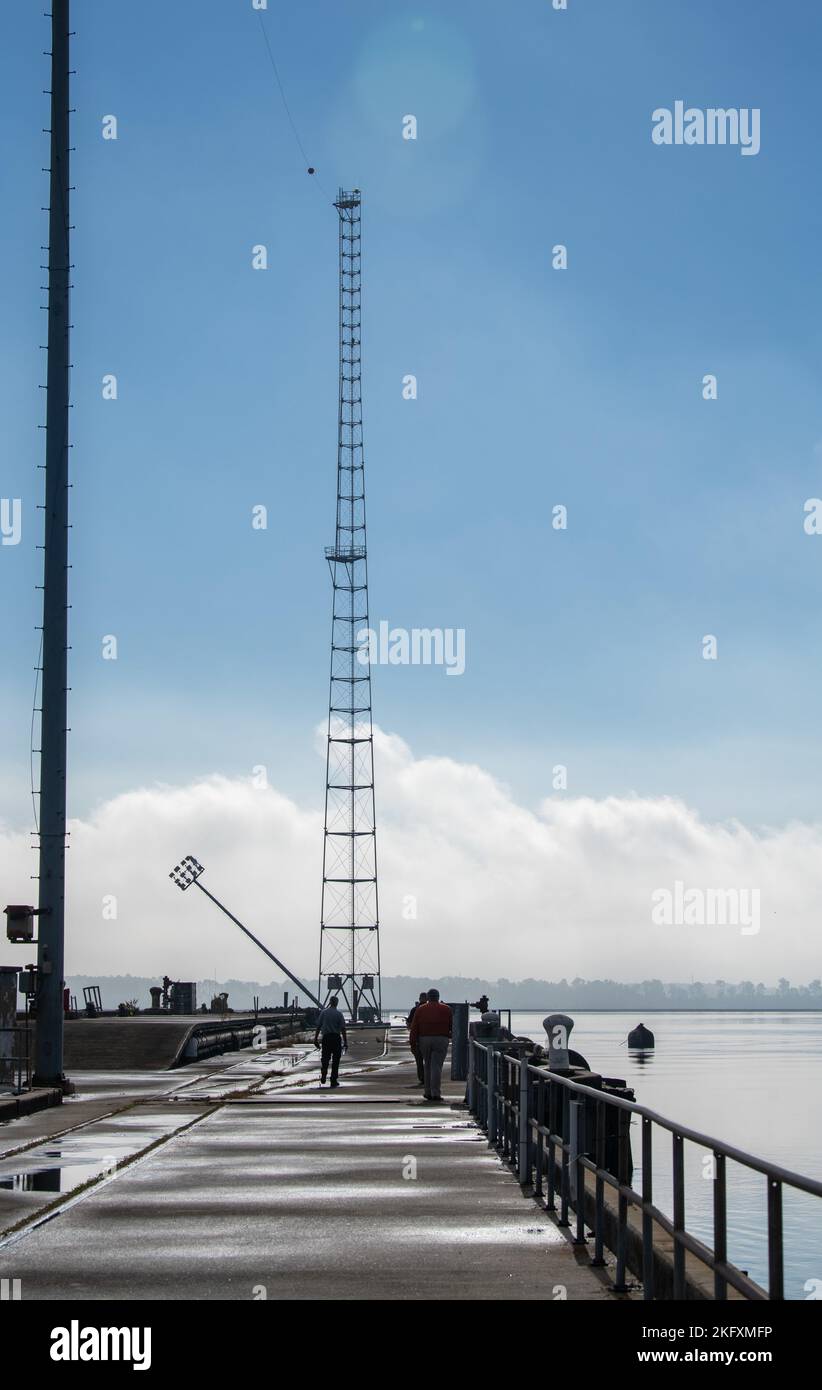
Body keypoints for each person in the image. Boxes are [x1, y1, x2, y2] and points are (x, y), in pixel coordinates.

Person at [409, 988, 452, 1102]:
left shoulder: (420, 1009)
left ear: (428, 998)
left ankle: (427, 1092)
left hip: (424, 1039)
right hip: (441, 1038)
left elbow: (414, 1027)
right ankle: (435, 1093)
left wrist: (413, 1043)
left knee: (427, 1065)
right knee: (436, 1066)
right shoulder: (447, 1009)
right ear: (438, 997)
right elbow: (452, 1026)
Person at [313, 995, 348, 1088]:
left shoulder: (324, 1013)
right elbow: (343, 1029)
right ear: (336, 1003)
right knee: (336, 1060)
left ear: (330, 1002)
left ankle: (324, 1073)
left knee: (325, 1058)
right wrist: (345, 1042)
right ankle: (333, 1080)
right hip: (336, 1038)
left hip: (326, 1038)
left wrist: (315, 1039)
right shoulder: (339, 1014)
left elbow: (318, 1026)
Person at [405, 991, 428, 1087]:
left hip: (418, 1039)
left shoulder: (415, 1009)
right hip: (428, 1037)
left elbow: (409, 1024)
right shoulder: (429, 1009)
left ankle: (422, 1079)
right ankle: (429, 1078)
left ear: (419, 999)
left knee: (419, 1061)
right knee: (429, 1061)